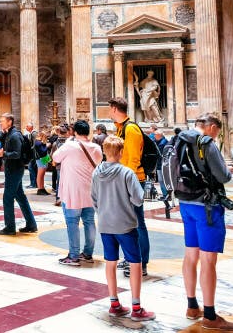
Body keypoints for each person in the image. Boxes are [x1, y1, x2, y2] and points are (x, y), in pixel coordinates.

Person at [176, 114, 233, 330]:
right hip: (207, 207)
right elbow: (223, 176)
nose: (216, 136)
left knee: (190, 255)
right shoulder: (206, 143)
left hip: (185, 204)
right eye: (217, 132)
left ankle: (192, 306)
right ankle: (210, 316)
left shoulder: (180, 140)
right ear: (212, 127)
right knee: (208, 260)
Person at [91, 135, 155, 323]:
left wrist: (103, 212)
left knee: (110, 262)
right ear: (120, 153)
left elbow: (93, 198)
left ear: (104, 151)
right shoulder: (127, 173)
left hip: (104, 224)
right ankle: (136, 307)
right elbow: (138, 199)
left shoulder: (96, 172)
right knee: (135, 263)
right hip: (125, 224)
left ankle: (114, 304)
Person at [109, 97, 150, 277]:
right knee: (128, 223)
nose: (109, 112)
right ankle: (131, 257)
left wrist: (126, 184)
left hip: (132, 181)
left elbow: (132, 160)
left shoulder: (130, 129)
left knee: (138, 223)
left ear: (115, 109)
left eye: (110, 109)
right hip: (124, 180)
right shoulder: (120, 129)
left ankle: (141, 263)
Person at [53, 120, 100, 266]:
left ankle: (73, 256)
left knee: (72, 222)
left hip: (73, 191)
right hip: (91, 191)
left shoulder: (70, 145)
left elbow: (55, 158)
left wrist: (68, 141)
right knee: (89, 222)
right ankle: (87, 253)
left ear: (75, 132)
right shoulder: (96, 148)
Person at [0, 113, 37, 235]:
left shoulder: (15, 136)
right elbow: (0, 141)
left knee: (7, 198)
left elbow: (16, 154)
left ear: (10, 122)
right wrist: (3, 133)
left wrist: (3, 154)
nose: (1, 123)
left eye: (3, 121)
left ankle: (10, 227)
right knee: (20, 197)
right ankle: (31, 224)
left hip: (15, 169)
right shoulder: (8, 134)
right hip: (12, 169)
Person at [35, 131, 50, 196]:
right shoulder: (38, 143)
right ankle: (39, 189)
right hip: (40, 159)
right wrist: (47, 146)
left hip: (43, 159)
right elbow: (42, 152)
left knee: (42, 175)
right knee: (40, 175)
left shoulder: (39, 142)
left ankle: (42, 188)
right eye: (45, 137)